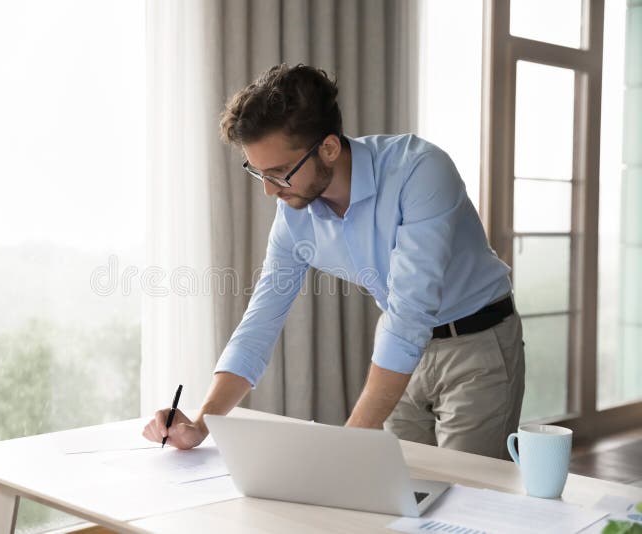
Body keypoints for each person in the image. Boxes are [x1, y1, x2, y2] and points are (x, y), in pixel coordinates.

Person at [142, 63, 525, 460]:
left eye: (279, 173)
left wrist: (342, 449)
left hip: (477, 345)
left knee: (467, 500)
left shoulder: (419, 170)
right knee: (395, 494)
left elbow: (411, 313)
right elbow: (260, 321)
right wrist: (201, 425)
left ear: (327, 147)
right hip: (398, 353)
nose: (270, 191)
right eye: (258, 174)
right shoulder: (295, 213)